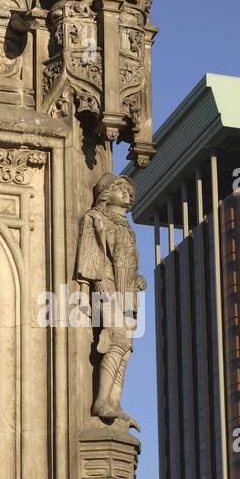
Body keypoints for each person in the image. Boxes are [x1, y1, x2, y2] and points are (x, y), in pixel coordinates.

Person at [74, 172, 147, 429]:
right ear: (106, 194)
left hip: (128, 292)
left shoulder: (128, 227)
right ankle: (101, 400)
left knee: (126, 347)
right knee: (116, 338)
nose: (127, 192)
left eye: (129, 190)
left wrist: (136, 279)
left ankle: (114, 403)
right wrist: (91, 290)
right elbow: (92, 259)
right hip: (107, 286)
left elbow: (126, 260)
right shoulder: (96, 218)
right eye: (120, 187)